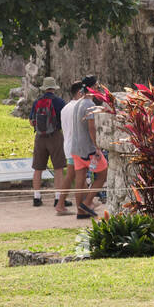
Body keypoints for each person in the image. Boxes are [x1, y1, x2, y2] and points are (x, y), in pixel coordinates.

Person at [69, 78, 109, 220]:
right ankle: (86, 203)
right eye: (97, 87)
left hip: (76, 149)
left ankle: (80, 211)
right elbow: (91, 128)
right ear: (92, 88)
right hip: (88, 149)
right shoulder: (89, 104)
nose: (98, 90)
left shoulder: (78, 102)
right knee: (103, 174)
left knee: (79, 181)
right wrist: (97, 147)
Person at [29, 77, 69, 209]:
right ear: (54, 88)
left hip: (40, 137)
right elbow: (64, 119)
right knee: (58, 168)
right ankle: (58, 198)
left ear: (44, 88)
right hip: (55, 136)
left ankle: (36, 197)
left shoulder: (37, 102)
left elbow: (31, 121)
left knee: (38, 168)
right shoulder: (59, 102)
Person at [57, 80, 85, 211]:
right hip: (78, 146)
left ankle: (61, 203)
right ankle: (82, 205)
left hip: (68, 145)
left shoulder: (65, 108)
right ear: (80, 92)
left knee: (71, 175)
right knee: (80, 176)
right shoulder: (80, 107)